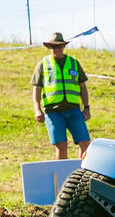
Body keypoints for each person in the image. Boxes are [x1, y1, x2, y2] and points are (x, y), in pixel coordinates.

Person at [31, 31, 91, 160]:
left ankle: (81, 175)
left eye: (59, 46)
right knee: (61, 145)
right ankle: (63, 177)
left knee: (85, 143)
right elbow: (36, 88)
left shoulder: (73, 62)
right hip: (53, 112)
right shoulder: (43, 64)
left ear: (63, 47)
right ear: (49, 48)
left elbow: (83, 87)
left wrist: (86, 108)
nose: (56, 49)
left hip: (74, 110)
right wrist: (37, 110)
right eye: (53, 47)